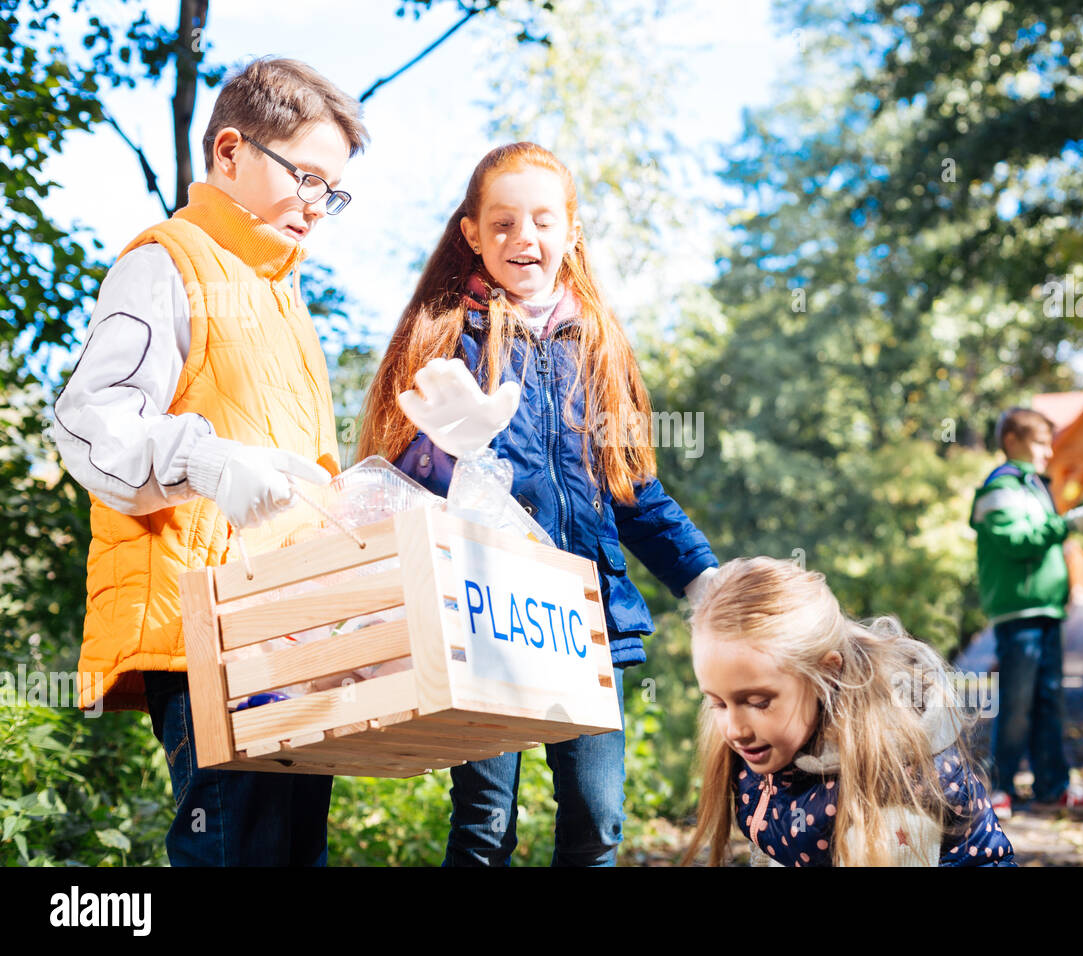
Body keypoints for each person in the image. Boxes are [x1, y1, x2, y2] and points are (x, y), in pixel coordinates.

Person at [358, 142, 719, 866]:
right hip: (484, 611)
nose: (525, 238)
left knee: (598, 820)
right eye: (503, 224)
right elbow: (396, 484)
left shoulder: (600, 347)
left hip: (586, 619)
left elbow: (631, 488)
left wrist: (703, 576)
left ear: (571, 231)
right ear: (473, 234)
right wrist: (448, 447)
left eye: (543, 221)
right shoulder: (441, 337)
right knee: (486, 824)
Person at [51, 58, 369, 865]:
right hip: (207, 635)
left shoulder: (286, 304)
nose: (317, 206)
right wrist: (209, 461)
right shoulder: (166, 262)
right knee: (235, 850)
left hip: (289, 636)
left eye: (333, 192)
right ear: (230, 152)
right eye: (306, 177)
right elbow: (88, 420)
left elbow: (316, 484)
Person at [681, 557, 1014, 867]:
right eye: (718, 703)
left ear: (825, 674)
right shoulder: (767, 745)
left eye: (759, 702)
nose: (735, 728)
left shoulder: (891, 780)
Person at [969, 407, 1083, 818]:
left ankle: (1053, 786)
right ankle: (999, 788)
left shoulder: (1032, 484)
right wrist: (1067, 524)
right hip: (1019, 612)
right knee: (1016, 702)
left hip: (1047, 609)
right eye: (1040, 442)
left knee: (1049, 699)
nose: (1048, 452)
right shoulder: (1000, 486)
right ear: (1013, 440)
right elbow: (1015, 541)